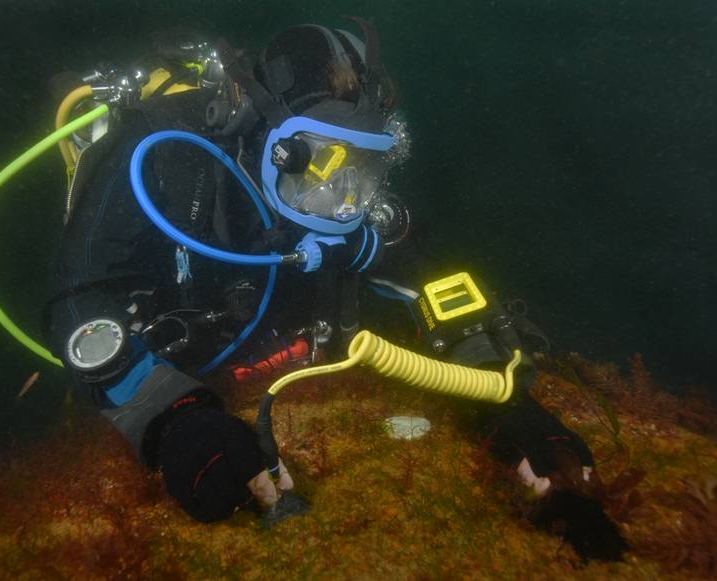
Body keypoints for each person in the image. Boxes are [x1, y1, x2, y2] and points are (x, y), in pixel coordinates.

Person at [43, 21, 624, 557]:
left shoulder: (346, 203)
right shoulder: (161, 156)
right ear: (272, 138)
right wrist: (173, 418)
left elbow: (430, 279)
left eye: (364, 169)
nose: (344, 198)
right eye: (321, 160)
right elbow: (80, 300)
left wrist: (504, 402)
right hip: (184, 343)